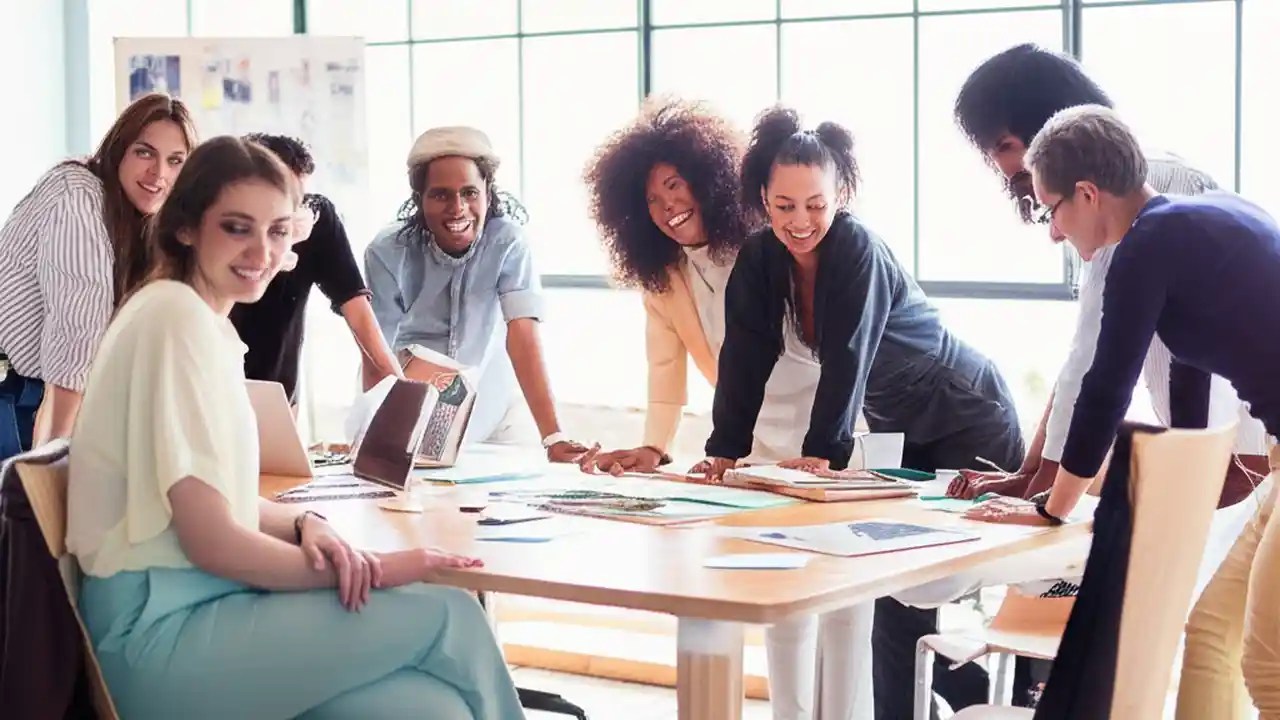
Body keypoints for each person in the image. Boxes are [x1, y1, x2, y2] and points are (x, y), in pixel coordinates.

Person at [66, 135, 526, 720]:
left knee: (430, 708)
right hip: (161, 632)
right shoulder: (172, 319)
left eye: (278, 231)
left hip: (203, 604)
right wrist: (377, 569)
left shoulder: (203, 323)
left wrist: (308, 521)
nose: (262, 250)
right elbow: (214, 539)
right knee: (448, 613)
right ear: (186, 227)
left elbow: (220, 497)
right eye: (237, 227)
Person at [944, 43, 1271, 720]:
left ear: (1088, 192)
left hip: (1267, 454)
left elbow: (1105, 383)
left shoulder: (1145, 244)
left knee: (1267, 663)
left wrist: (1051, 506)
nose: (1054, 232)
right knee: (1211, 627)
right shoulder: (1191, 224)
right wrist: (1184, 467)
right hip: (1274, 457)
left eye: (1051, 211)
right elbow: (1192, 359)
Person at [700, 106, 1026, 719]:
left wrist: (823, 452)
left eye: (815, 205)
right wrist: (725, 449)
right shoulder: (761, 257)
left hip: (966, 410)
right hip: (901, 425)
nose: (800, 221)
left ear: (840, 195)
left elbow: (848, 355)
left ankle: (1026, 699)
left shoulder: (857, 248)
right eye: (784, 205)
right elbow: (744, 351)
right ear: (763, 199)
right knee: (895, 601)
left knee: (996, 576)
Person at [581, 97, 869, 720]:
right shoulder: (664, 278)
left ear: (708, 179)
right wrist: (656, 446)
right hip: (755, 447)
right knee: (779, 597)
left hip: (829, 435)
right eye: (651, 200)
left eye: (675, 188)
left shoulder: (765, 247)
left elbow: (840, 348)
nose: (667, 208)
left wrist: (825, 447)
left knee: (845, 607)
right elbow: (666, 371)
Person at [365, 126, 588, 462]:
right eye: (440, 195)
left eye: (470, 193)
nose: (458, 208)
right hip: (415, 411)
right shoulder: (386, 252)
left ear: (488, 192)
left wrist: (554, 436)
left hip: (496, 413)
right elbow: (376, 347)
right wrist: (375, 432)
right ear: (418, 199)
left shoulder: (509, 243)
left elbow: (522, 333)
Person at [0, 93, 195, 461]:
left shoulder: (141, 223)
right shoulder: (78, 194)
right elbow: (78, 330)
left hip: (44, 399)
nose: (159, 174)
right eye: (145, 152)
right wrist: (53, 461)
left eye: (175, 161)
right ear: (120, 147)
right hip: (15, 398)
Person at [230, 133, 401, 403]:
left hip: (280, 402)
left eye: (297, 198)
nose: (290, 209)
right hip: (220, 394)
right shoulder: (219, 235)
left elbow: (360, 316)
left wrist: (401, 393)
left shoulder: (311, 222)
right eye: (280, 195)